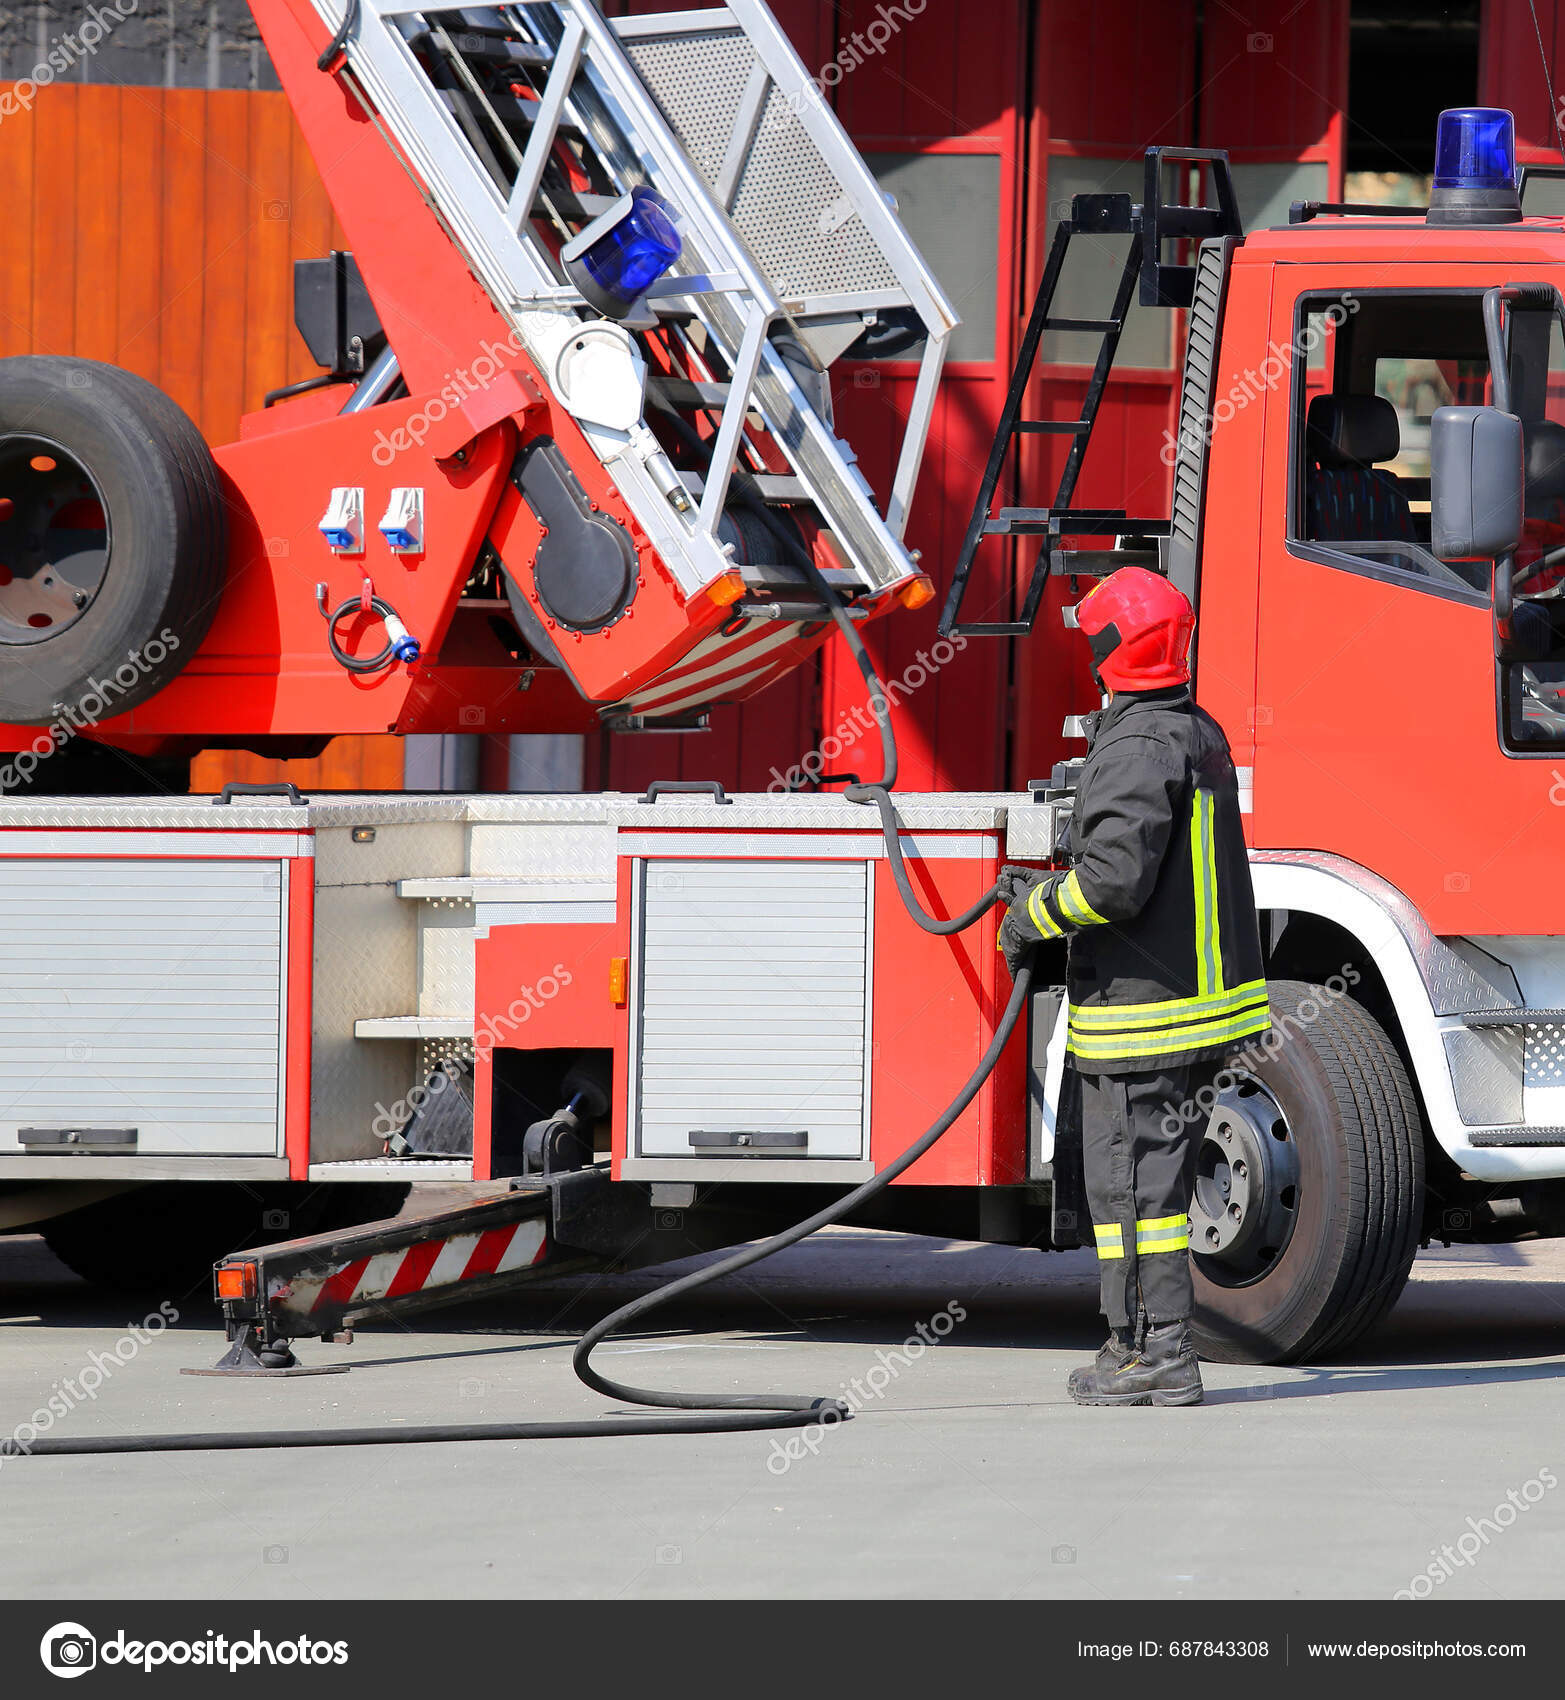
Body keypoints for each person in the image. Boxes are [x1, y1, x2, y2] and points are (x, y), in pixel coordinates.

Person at [999, 566, 1268, 1407]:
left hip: (1144, 1020)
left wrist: (1030, 913)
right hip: (1196, 1011)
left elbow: (1112, 884)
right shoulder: (1192, 730)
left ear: (1111, 649)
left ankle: (1150, 1353)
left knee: (1130, 1191)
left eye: (1092, 638)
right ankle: (1150, 1349)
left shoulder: (1136, 746)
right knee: (1155, 1188)